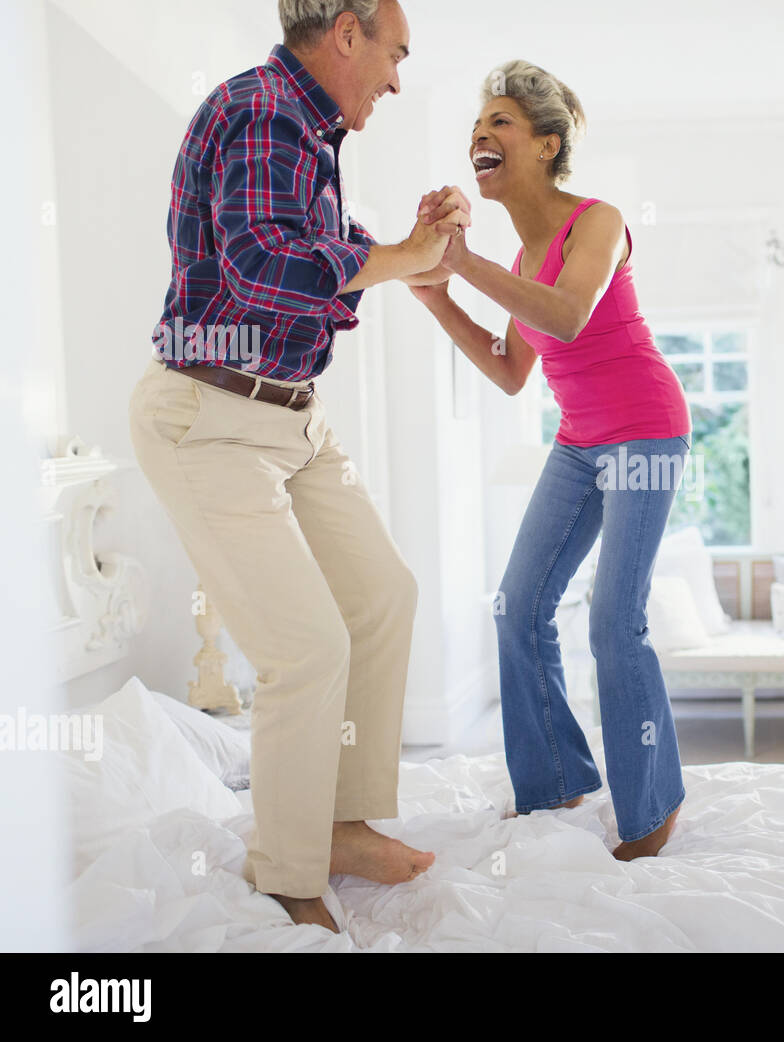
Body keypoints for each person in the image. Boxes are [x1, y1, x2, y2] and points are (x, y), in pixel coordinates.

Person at [127, 0, 469, 932]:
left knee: (383, 596)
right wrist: (400, 258)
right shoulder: (260, 113)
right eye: (394, 54)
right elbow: (264, 267)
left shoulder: (305, 133)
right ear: (346, 32)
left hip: (292, 418)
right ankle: (286, 873)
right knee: (305, 649)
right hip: (210, 416)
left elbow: (325, 249)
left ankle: (340, 825)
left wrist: (411, 246)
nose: (398, 78)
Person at [409, 60, 692, 859]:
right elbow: (508, 371)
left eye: (499, 123)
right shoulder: (521, 257)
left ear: (545, 144)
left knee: (613, 619)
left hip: (644, 429)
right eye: (476, 129)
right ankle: (556, 779)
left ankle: (652, 805)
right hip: (580, 440)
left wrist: (464, 264)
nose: (480, 137)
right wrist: (439, 298)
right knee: (519, 605)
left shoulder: (595, 222)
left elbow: (567, 319)